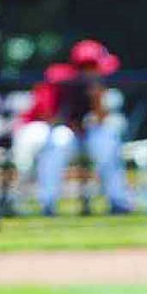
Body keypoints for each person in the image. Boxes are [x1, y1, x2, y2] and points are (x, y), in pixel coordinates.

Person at [35, 39, 133, 216]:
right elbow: (49, 117)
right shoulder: (61, 81)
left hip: (89, 136)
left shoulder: (98, 86)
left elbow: (102, 120)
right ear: (84, 66)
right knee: (57, 142)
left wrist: (96, 97)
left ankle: (119, 201)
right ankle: (47, 204)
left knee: (106, 141)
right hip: (67, 134)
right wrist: (72, 125)